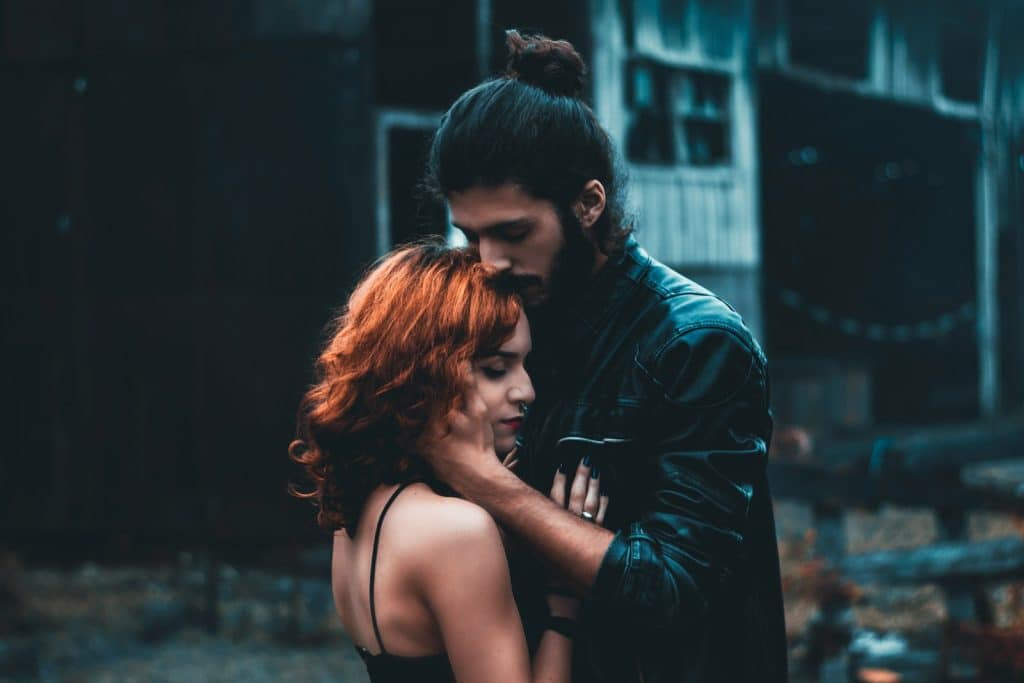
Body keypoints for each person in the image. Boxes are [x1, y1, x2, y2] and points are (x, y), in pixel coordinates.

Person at [419, 31, 789, 682]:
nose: (489, 262)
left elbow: (675, 589)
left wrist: (489, 483)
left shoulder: (696, 344)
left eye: (513, 233)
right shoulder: (498, 327)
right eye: (472, 235)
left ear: (589, 203)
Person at [289, 240, 609, 683]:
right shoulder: (456, 532)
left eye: (524, 365)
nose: (526, 391)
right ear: (425, 373)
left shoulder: (357, 511)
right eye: (497, 369)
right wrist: (564, 607)